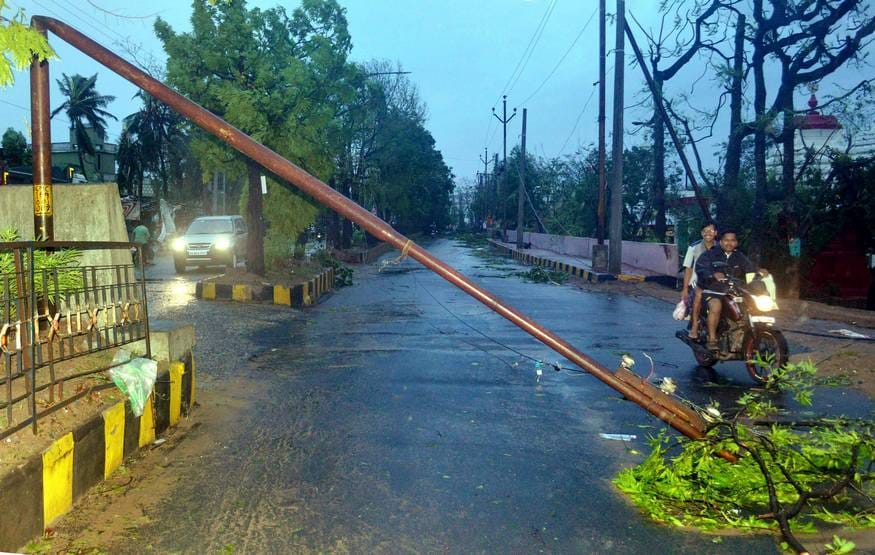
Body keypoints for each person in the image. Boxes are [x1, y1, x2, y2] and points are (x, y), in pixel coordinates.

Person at [695, 230, 769, 351]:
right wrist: (713, 275)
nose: (729, 243)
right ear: (721, 241)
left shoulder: (739, 256)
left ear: (736, 242)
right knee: (716, 306)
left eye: (733, 240)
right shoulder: (709, 254)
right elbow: (701, 269)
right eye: (726, 240)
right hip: (713, 290)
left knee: (752, 305)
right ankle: (712, 340)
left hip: (733, 290)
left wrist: (759, 271)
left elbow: (749, 268)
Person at [681, 222, 717, 340]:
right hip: (697, 282)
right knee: (698, 297)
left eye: (711, 230)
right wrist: (685, 288)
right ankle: (695, 326)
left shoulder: (720, 247)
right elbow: (688, 269)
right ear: (701, 233)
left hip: (715, 283)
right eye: (705, 231)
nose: (708, 233)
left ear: (716, 233)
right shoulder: (694, 247)